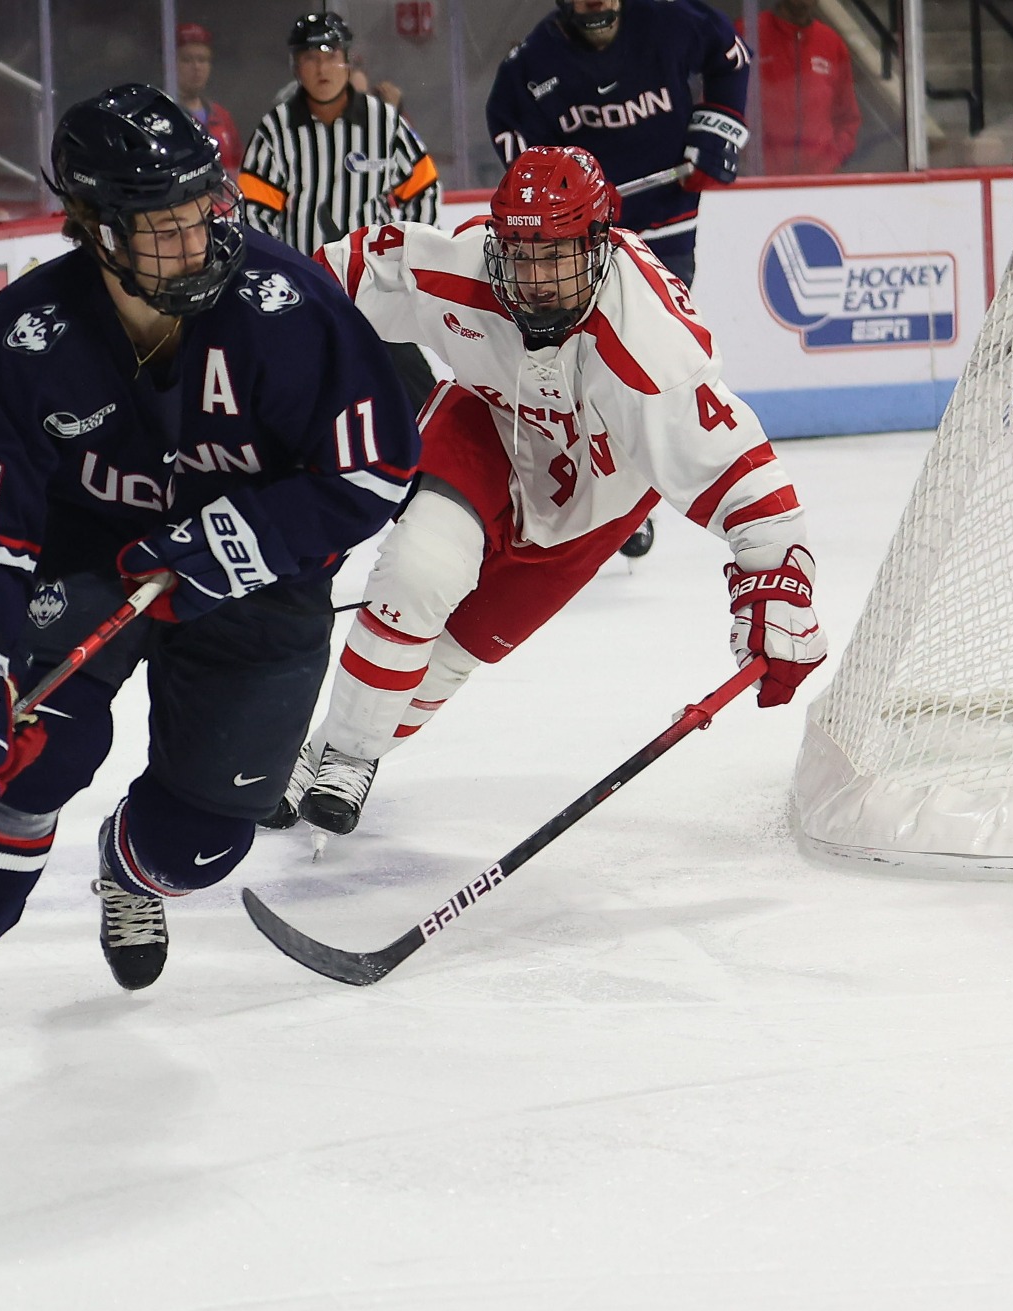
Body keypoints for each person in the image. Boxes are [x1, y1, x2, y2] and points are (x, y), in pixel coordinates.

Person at [0, 84, 421, 1066]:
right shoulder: (24, 340)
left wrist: (237, 540)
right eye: (162, 226)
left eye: (203, 208)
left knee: (195, 846)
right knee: (20, 749)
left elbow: (373, 466)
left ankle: (128, 869)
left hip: (259, 578)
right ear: (93, 230)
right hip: (90, 560)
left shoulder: (285, 308)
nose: (195, 237)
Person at [285, 146, 823, 835]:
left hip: (591, 504)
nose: (534, 280)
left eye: (556, 258)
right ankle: (346, 758)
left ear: (600, 244)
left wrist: (782, 586)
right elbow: (339, 274)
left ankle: (330, 745)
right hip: (486, 424)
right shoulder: (464, 266)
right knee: (419, 569)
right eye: (520, 255)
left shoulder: (647, 343)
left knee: (449, 658)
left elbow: (747, 484)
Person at [486, 0, 749, 292]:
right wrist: (571, 196)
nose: (595, 2)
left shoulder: (669, 20)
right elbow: (513, 135)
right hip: (588, 241)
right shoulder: (530, 65)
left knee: (659, 330)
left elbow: (730, 58)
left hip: (670, 223)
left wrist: (714, 132)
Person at [238, 12, 440, 257]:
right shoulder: (276, 130)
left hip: (377, 278)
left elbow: (424, 191)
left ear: (347, 62)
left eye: (331, 56)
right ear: (296, 67)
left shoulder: (384, 121)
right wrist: (282, 268)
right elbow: (254, 212)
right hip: (306, 281)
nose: (322, 68)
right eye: (310, 58)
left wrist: (410, 256)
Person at [746, 0, 860, 176]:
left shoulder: (832, 43)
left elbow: (848, 117)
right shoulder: (748, 35)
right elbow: (719, 104)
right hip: (759, 182)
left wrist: (833, 158)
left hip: (818, 184)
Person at [174, 21, 242, 172]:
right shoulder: (162, 116)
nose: (196, 67)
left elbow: (237, 172)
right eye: (187, 60)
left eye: (202, 59)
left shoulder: (222, 118)